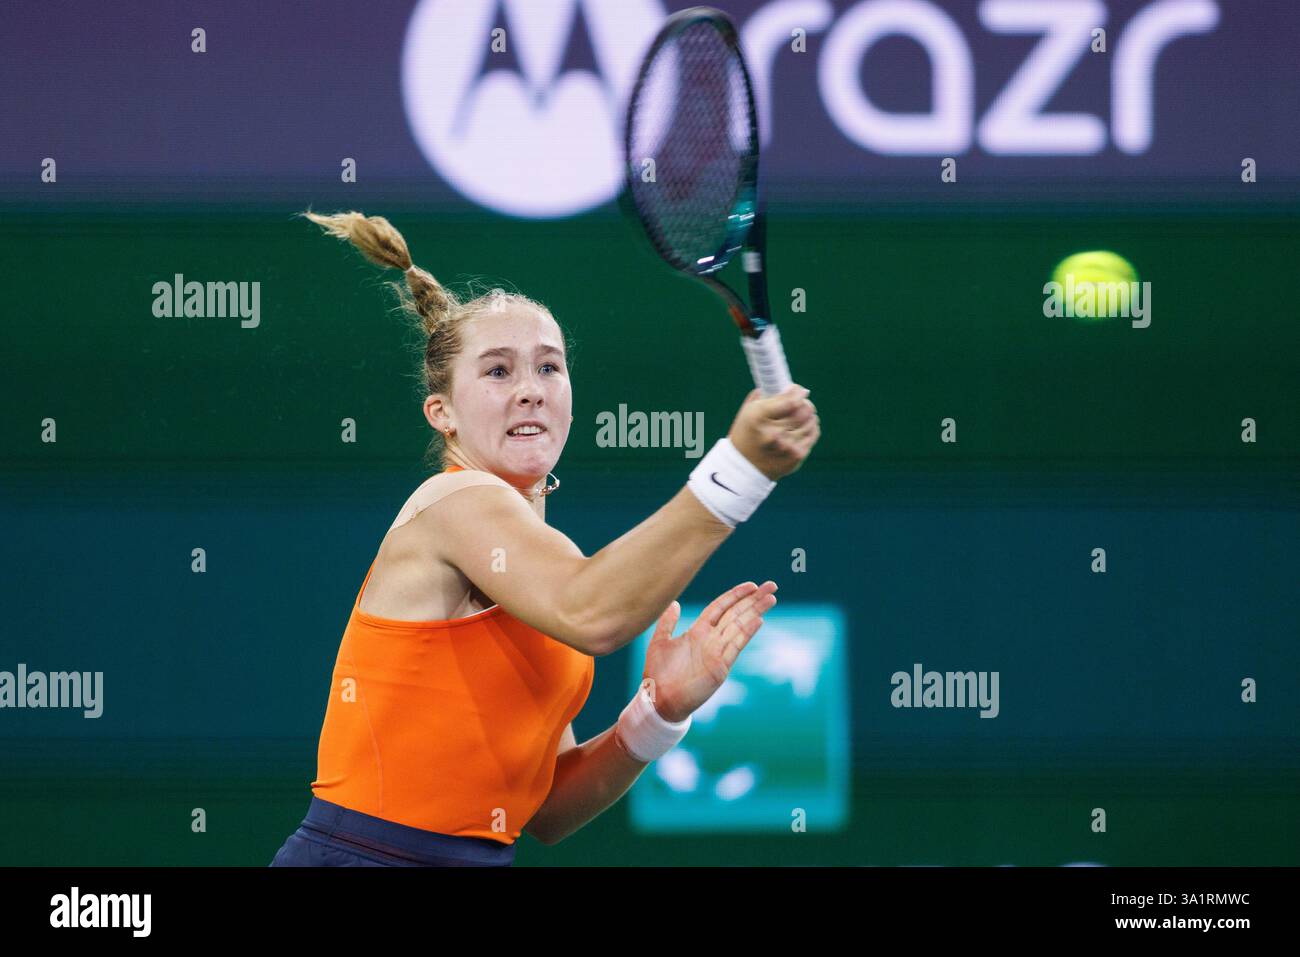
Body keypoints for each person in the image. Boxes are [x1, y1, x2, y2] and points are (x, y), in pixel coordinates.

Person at [270, 211, 820, 866]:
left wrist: (657, 714)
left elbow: (548, 809)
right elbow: (595, 611)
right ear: (441, 413)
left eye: (549, 368)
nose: (530, 390)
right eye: (498, 372)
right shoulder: (452, 504)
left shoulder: (531, 564)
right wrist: (740, 471)